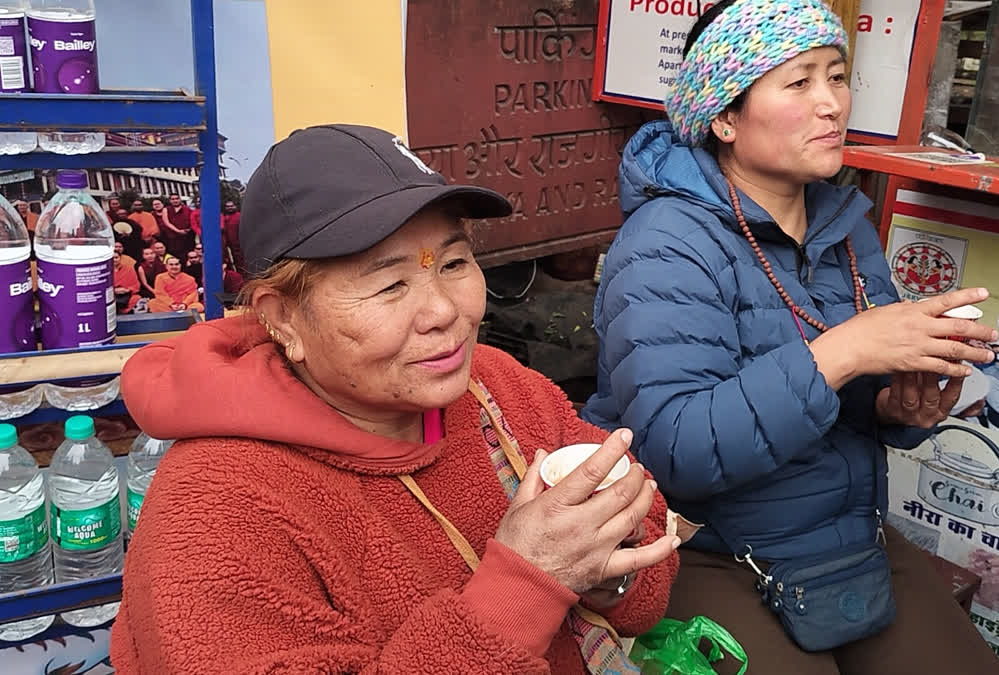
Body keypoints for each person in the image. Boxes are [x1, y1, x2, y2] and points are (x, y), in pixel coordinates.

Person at [112, 124, 678, 674]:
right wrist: (526, 585)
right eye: (389, 285)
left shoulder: (498, 387)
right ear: (282, 318)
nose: (445, 312)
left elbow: (650, 563)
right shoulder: (215, 513)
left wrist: (606, 572)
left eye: (454, 264)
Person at [583, 2, 999, 673]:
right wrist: (847, 350)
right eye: (799, 82)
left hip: (845, 535)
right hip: (711, 547)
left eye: (836, 77)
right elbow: (675, 448)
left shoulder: (843, 224)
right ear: (724, 118)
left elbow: (857, 390)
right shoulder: (666, 242)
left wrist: (896, 406)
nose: (831, 104)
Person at [113, 244, 142, 313]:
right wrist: (114, 290)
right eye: (112, 258)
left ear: (120, 258)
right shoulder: (105, 271)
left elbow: (136, 285)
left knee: (136, 298)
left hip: (126, 294)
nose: (114, 260)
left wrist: (127, 289)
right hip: (111, 295)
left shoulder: (129, 269)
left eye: (116, 258)